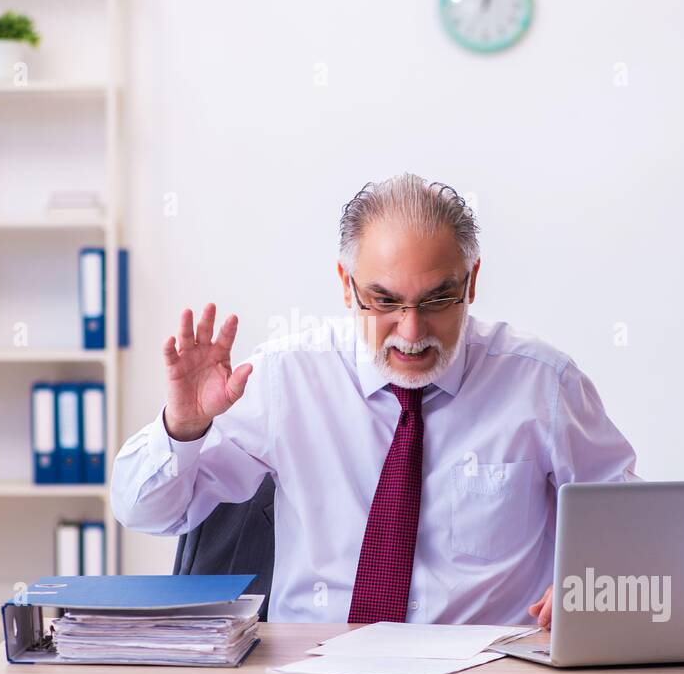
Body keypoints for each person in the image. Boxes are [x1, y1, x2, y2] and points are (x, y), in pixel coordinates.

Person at [110, 173, 638, 626]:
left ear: (471, 283)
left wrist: (592, 583)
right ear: (347, 286)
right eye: (384, 301)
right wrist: (182, 426)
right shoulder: (285, 378)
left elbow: (632, 525)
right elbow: (145, 512)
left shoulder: (542, 385)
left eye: (437, 300)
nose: (411, 331)